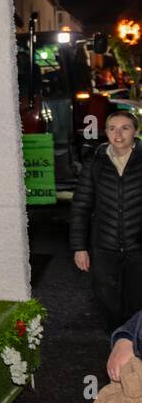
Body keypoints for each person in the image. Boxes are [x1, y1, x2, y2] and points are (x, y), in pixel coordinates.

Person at [71, 110, 142, 327]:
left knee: (138, 304)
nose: (118, 134)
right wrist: (79, 247)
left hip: (139, 248)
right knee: (107, 304)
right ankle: (118, 346)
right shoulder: (96, 162)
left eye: (125, 128)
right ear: (106, 132)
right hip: (104, 248)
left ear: (136, 131)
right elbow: (81, 205)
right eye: (112, 128)